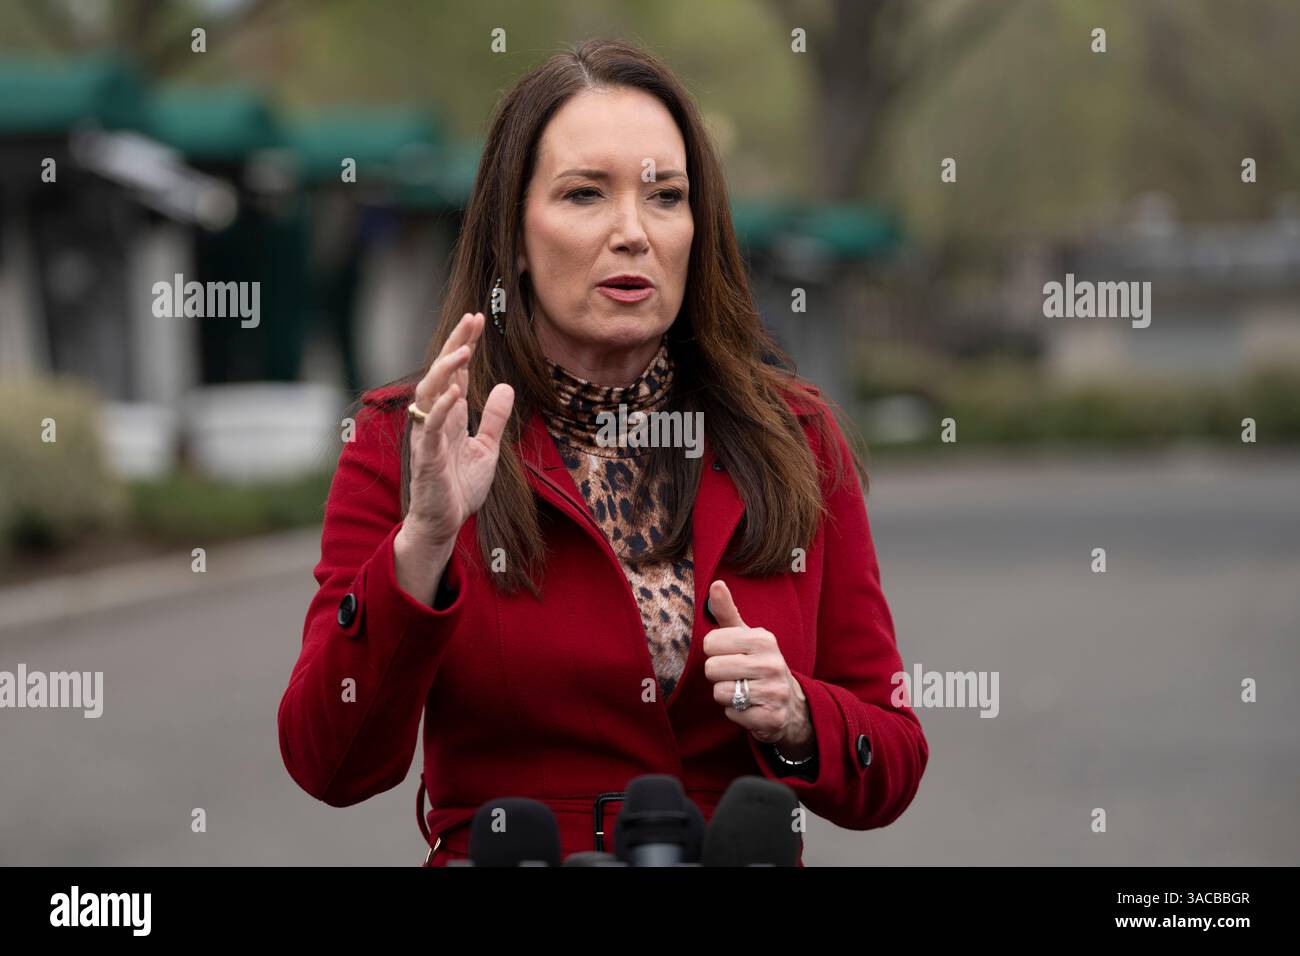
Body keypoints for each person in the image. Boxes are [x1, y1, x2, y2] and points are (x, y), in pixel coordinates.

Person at [277, 37, 927, 866]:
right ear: (514, 236)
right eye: (585, 194)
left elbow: (892, 759)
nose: (632, 232)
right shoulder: (408, 437)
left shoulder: (793, 437)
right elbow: (329, 763)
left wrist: (800, 716)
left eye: (666, 197)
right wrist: (424, 544)